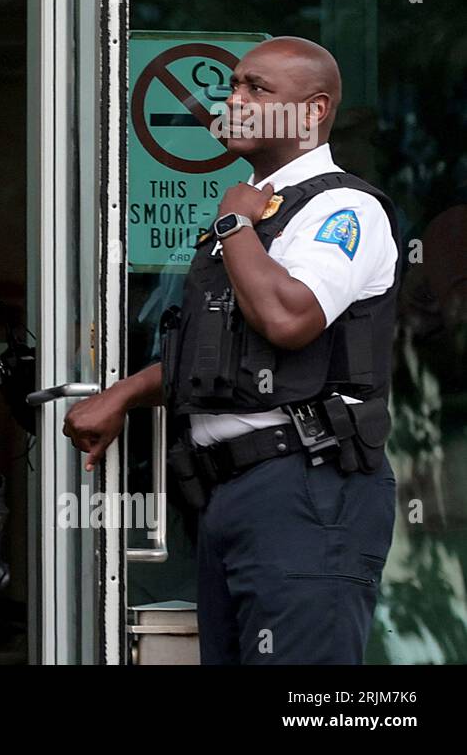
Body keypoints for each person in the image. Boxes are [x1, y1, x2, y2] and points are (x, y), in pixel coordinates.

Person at [64, 36, 399, 665]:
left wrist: (234, 224)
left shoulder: (342, 207)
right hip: (234, 496)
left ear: (313, 110)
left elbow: (287, 318)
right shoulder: (254, 212)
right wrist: (124, 395)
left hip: (307, 486)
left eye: (256, 89)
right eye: (234, 85)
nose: (233, 99)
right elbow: (220, 359)